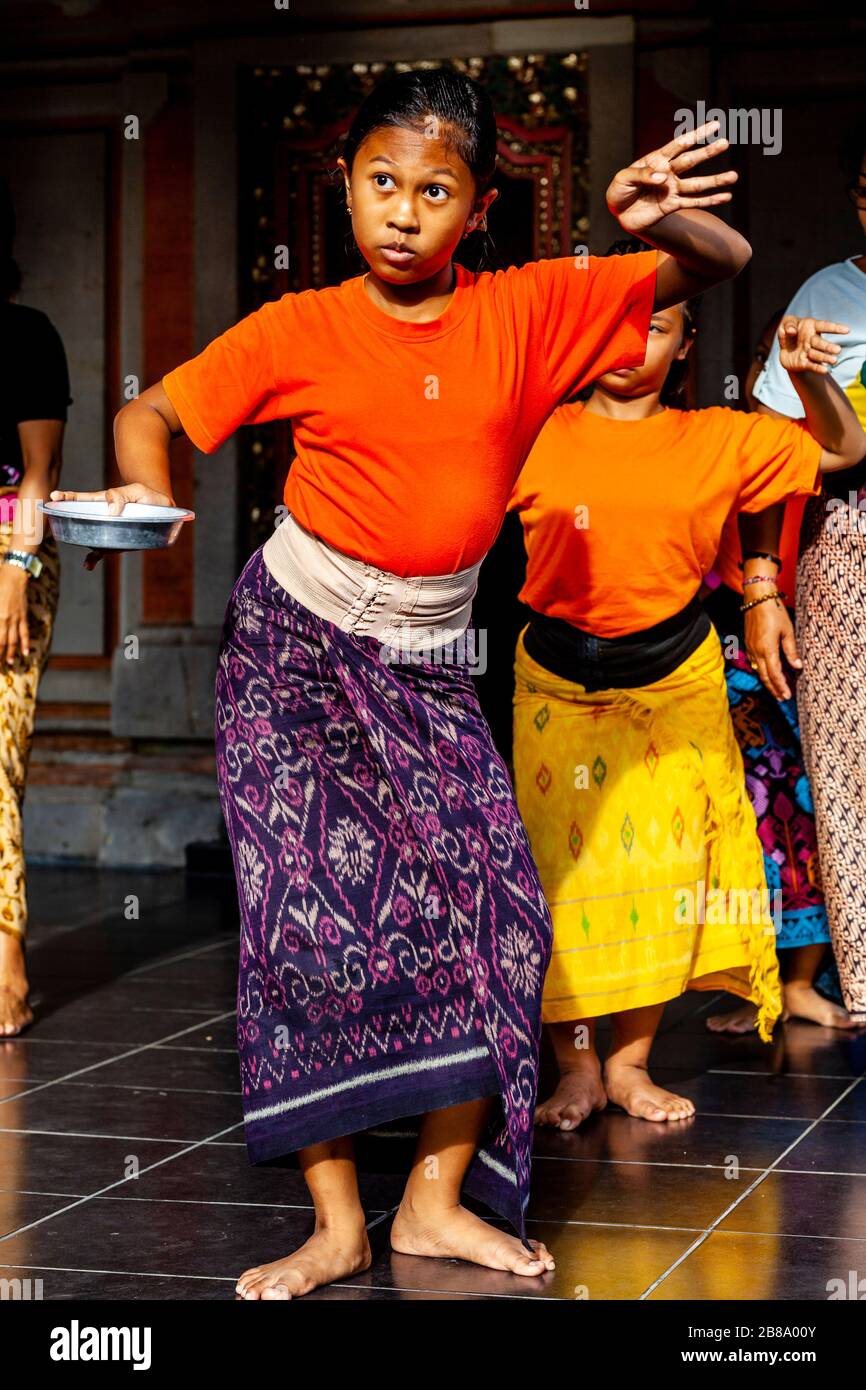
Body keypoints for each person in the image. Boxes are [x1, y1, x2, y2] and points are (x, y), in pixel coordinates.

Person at [51, 70, 750, 1297]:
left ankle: (430, 1205)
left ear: (474, 209)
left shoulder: (529, 309)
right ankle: (335, 1224)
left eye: (434, 192)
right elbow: (152, 411)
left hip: (427, 664)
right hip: (294, 652)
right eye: (382, 182)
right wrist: (150, 494)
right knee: (308, 931)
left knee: (500, 918)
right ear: (346, 183)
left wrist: (652, 218)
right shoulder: (301, 326)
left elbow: (720, 255)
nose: (403, 212)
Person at [508, 236, 866, 1131]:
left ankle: (629, 1065)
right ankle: (578, 1070)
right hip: (555, 683)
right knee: (569, 879)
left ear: (684, 343)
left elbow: (844, 449)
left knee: (662, 874)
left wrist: (806, 377)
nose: (632, 350)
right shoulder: (528, 433)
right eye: (615, 330)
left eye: (656, 328)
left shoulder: (717, 438)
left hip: (673, 680)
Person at [738, 116, 866, 1021]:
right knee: (848, 772)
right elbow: (766, 458)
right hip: (845, 552)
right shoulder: (824, 296)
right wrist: (762, 587)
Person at [703, 312, 859, 1032]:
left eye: (798, 358)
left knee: (808, 811)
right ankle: (759, 982)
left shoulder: (820, 446)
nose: (784, 373)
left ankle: (799, 980)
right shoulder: (726, 440)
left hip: (806, 639)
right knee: (748, 824)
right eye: (769, 358)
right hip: (733, 640)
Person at [0, 232, 67, 1037]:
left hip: (7, 556)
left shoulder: (26, 334)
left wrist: (18, 567)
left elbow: (37, 471)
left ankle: (8, 969)